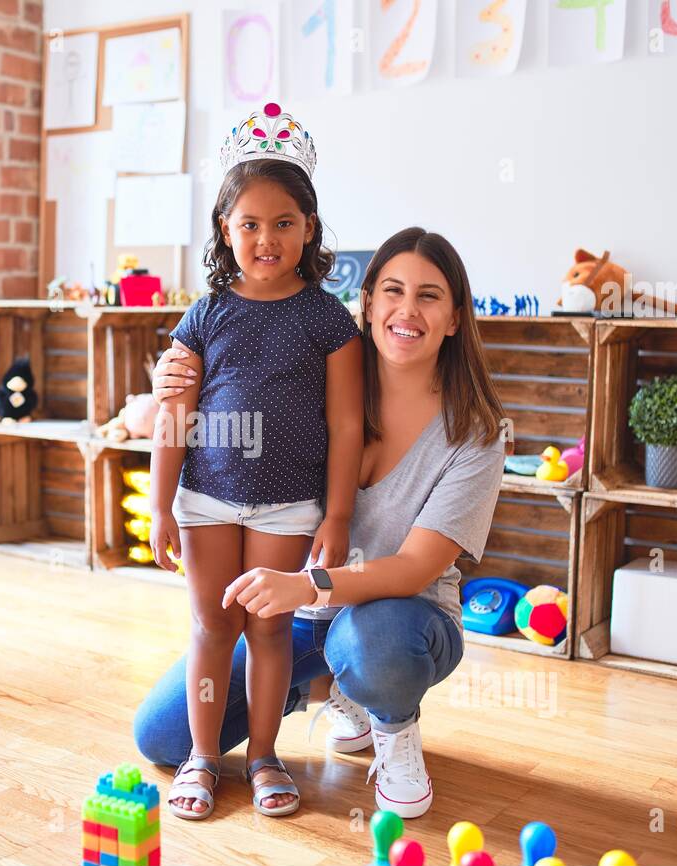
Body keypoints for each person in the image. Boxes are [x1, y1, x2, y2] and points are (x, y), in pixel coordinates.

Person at [137, 227, 506, 819]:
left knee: (373, 642)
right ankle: (329, 690)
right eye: (392, 291)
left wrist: (305, 585)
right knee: (161, 738)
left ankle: (391, 719)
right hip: (300, 619)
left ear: (456, 318)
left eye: (429, 296)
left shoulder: (477, 435)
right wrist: (168, 384)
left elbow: (414, 568)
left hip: (402, 618)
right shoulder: (318, 371)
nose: (407, 310)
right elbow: (222, 397)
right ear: (367, 302)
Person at [150, 102, 363, 820]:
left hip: (288, 503)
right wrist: (157, 504)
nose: (266, 238)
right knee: (212, 628)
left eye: (283, 223)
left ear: (309, 228)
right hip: (206, 497)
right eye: (249, 223)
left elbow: (346, 421)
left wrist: (336, 514)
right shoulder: (203, 314)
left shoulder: (328, 318)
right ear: (224, 229)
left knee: (269, 628)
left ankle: (265, 752)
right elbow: (174, 414)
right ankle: (204, 756)